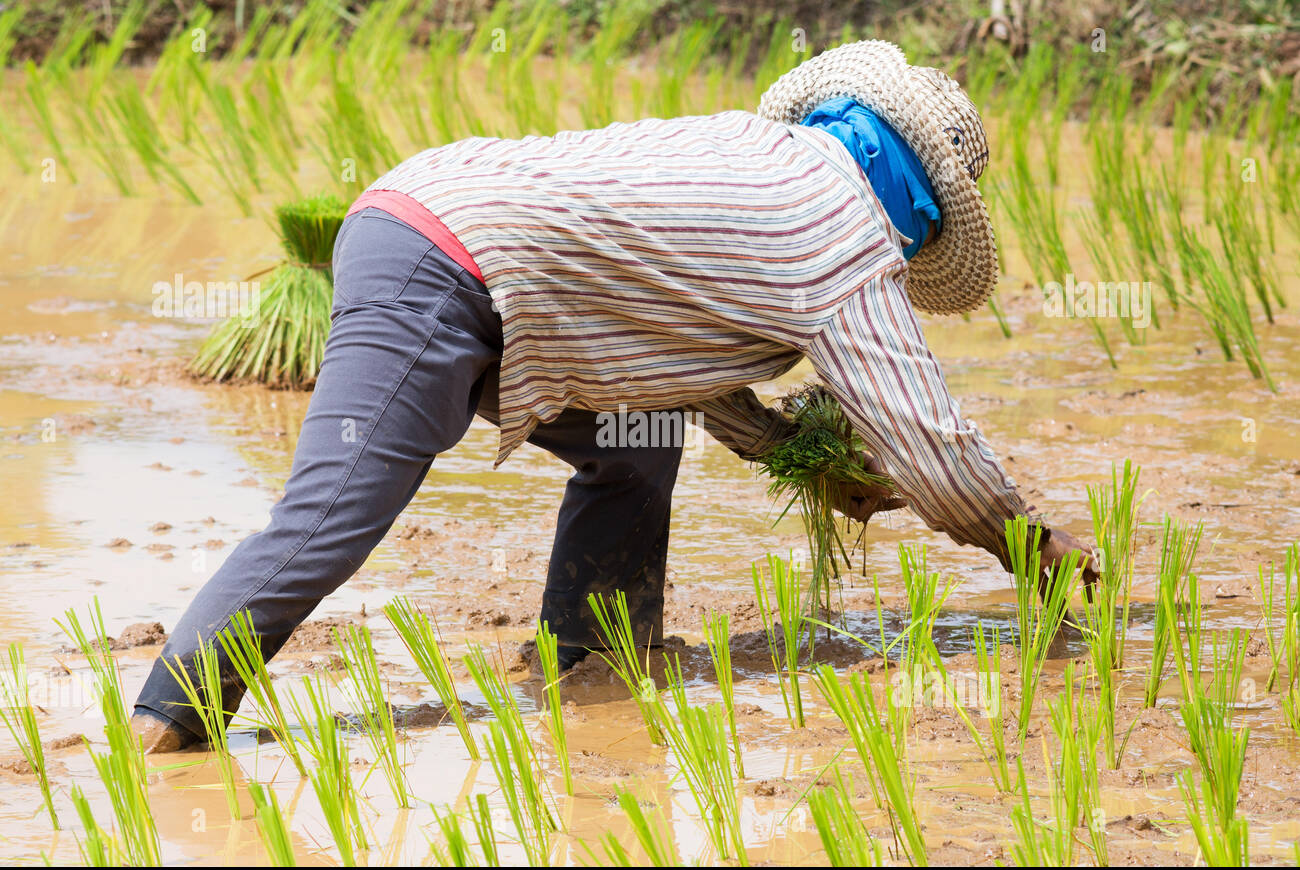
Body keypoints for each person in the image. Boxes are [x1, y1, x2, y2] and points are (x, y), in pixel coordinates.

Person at [132, 40, 1098, 753]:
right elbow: (925, 435)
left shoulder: (758, 162)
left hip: (424, 217)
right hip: (443, 267)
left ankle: (591, 663)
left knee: (639, 441)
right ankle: (164, 729)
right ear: (922, 202)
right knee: (334, 514)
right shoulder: (840, 227)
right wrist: (1023, 537)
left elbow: (676, 355)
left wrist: (788, 453)